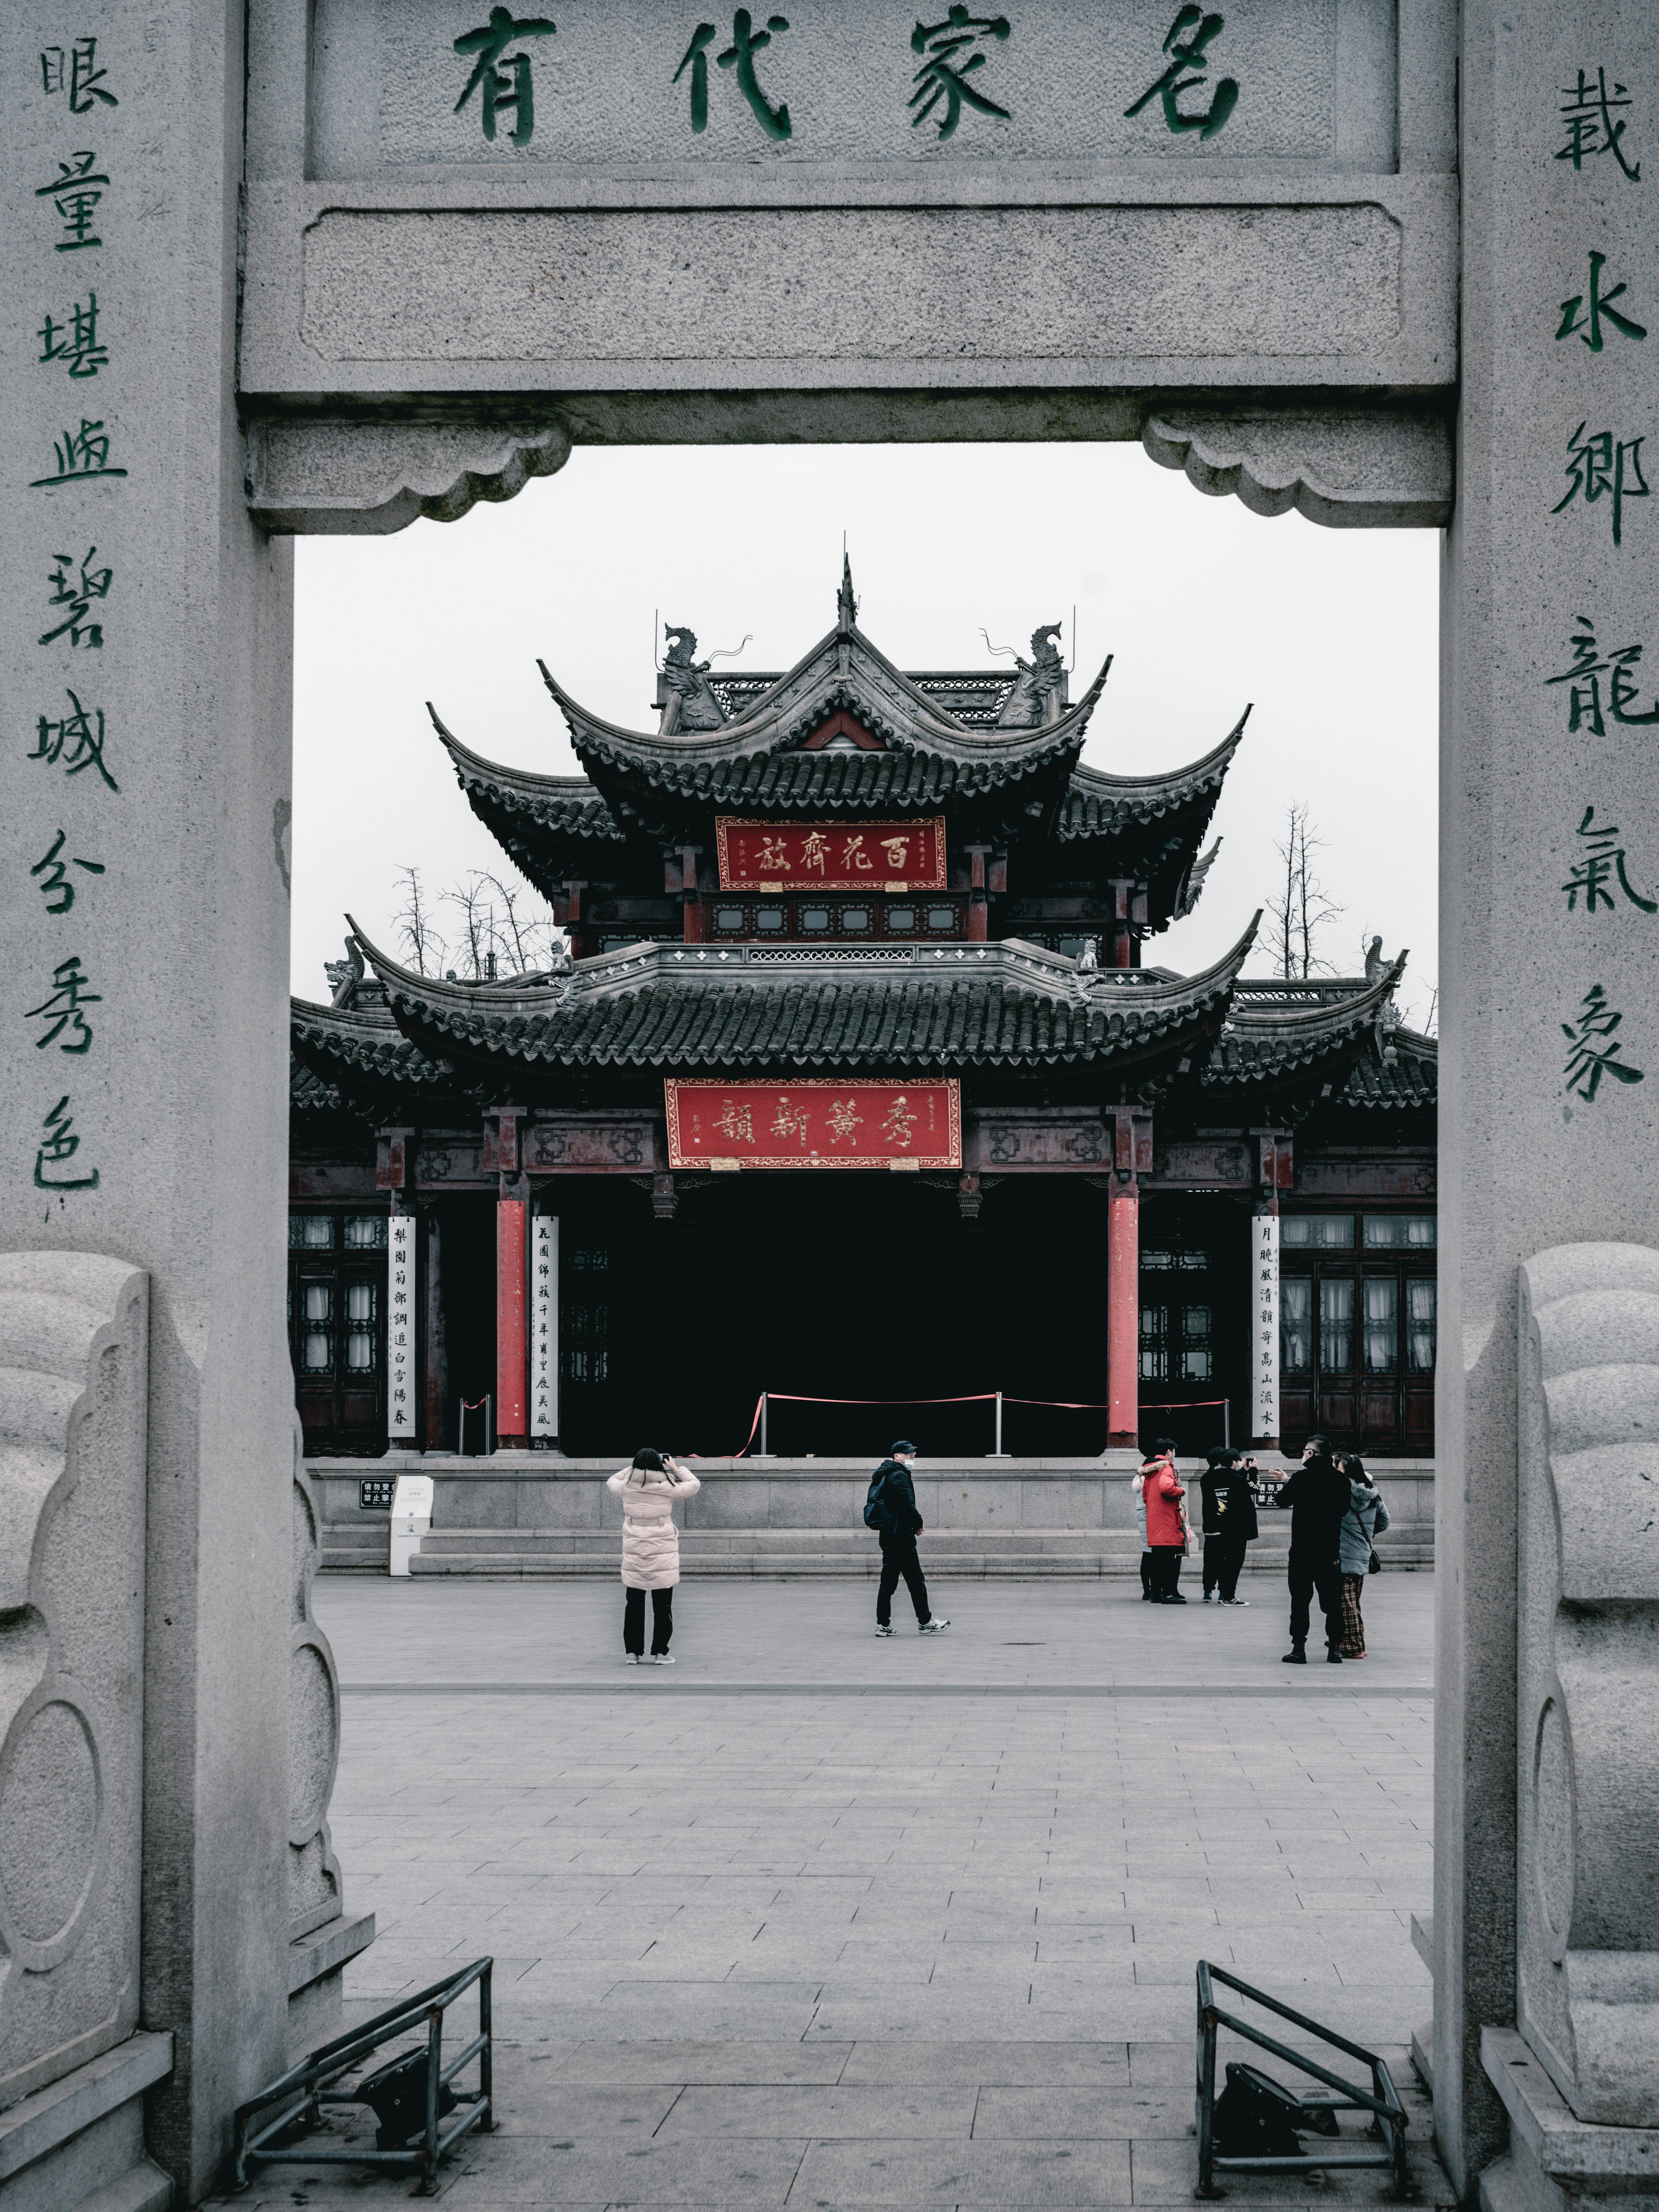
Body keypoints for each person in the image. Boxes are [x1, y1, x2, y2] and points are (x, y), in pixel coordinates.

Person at [606, 1448, 700, 1665]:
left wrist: (635, 1469)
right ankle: (661, 1653)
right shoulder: (668, 1487)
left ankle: (633, 1653)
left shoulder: (626, 1487)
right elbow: (694, 1484)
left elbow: (612, 1479)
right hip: (662, 1551)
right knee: (663, 1605)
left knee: (634, 1604)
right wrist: (675, 1468)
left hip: (635, 1550)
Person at [1265, 1434, 1352, 1662]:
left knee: (1301, 1602)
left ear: (1312, 1454)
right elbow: (1343, 1510)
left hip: (1303, 1551)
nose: (1303, 1454)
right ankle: (1334, 1649)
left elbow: (1282, 1500)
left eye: (1305, 1450)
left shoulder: (1301, 1478)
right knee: (1333, 1603)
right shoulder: (1341, 1481)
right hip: (1330, 1551)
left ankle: (1299, 1649)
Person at [868, 1440, 950, 1636]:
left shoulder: (887, 1474)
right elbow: (907, 1505)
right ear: (897, 1456)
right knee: (916, 1580)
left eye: (914, 1453)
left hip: (889, 1535)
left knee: (888, 1582)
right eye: (909, 1454)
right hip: (901, 1536)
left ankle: (883, 1625)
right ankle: (926, 1622)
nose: (913, 1456)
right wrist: (918, 1523)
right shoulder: (898, 1475)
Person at [1336, 1454, 1391, 1659]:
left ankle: (1353, 1648)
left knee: (1347, 1603)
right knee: (1354, 1602)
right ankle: (1359, 1643)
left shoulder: (1343, 1493)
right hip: (1363, 1554)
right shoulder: (1373, 1495)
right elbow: (1385, 1521)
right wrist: (1366, 1535)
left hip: (1345, 1555)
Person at [1199, 1446, 1258, 1605]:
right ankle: (1227, 1595)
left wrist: (1242, 1472)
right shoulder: (1233, 1477)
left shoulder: (1207, 1477)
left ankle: (1212, 1592)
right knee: (1233, 1561)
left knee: (1214, 1560)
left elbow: (1236, 1486)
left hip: (1216, 1525)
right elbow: (1252, 1488)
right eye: (1238, 1460)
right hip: (1235, 1527)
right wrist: (1253, 1470)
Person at [1141, 1435, 1188, 1603]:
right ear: (1169, 1452)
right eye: (1174, 1452)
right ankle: (1168, 1594)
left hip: (1155, 1522)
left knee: (1157, 1561)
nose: (1174, 1455)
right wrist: (1180, 1491)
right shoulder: (1166, 1467)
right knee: (1170, 1562)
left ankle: (1156, 1594)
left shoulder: (1150, 1471)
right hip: (1167, 1523)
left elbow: (1146, 1497)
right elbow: (1167, 1488)